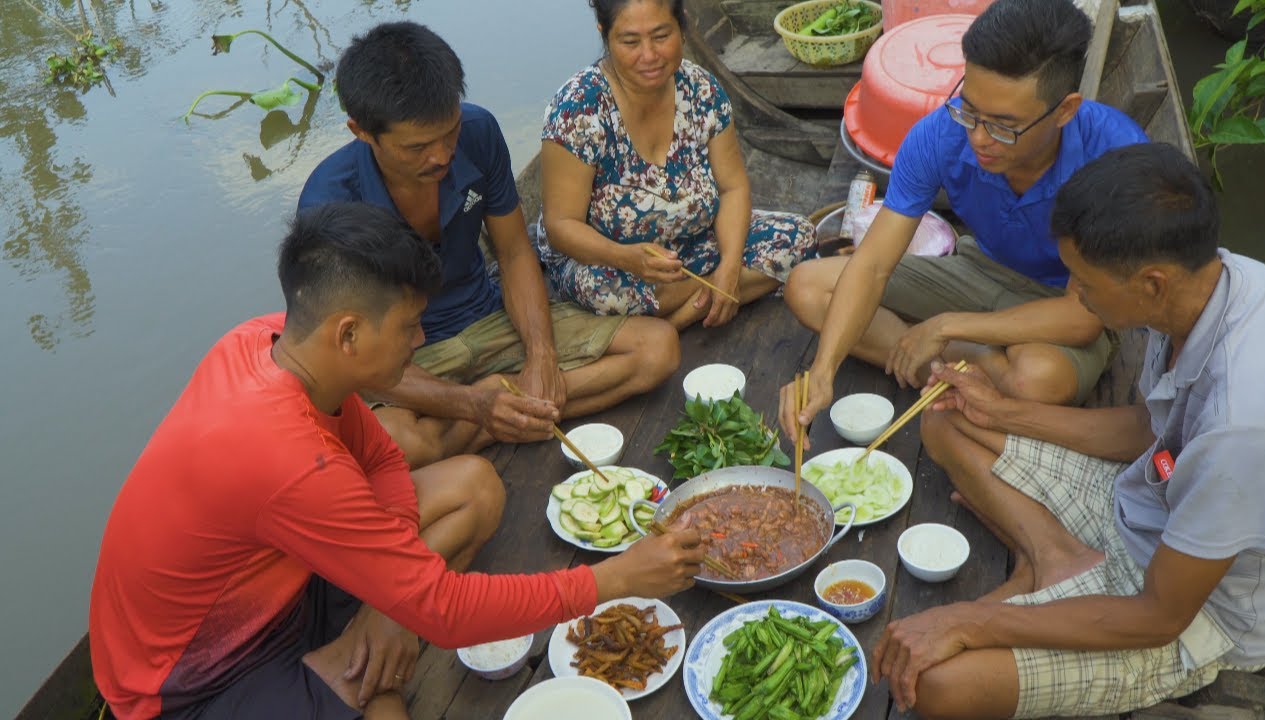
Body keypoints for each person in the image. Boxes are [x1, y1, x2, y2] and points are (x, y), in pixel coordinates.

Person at [88, 202, 705, 720]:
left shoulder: (266, 339)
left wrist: (390, 601)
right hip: (195, 680)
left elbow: (382, 458)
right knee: (387, 703)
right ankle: (353, 654)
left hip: (284, 583)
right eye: (410, 326)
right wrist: (618, 577)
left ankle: (370, 625)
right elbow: (449, 611)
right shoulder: (288, 460)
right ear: (348, 333)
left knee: (474, 487)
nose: (418, 343)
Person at [871, 143, 1265, 719]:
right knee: (947, 416)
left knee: (938, 683)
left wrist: (969, 620)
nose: (1076, 297)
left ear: (1153, 283)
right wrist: (1000, 411)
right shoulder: (1214, 283)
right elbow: (1148, 429)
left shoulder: (1243, 424)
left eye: (1084, 283)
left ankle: (1044, 565)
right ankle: (1052, 557)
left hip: (1196, 611)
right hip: (1142, 499)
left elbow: (1159, 615)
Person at [299, 22, 680, 469]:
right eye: (418, 146)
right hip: (405, 359)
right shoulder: (329, 202)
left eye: (449, 133)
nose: (441, 155)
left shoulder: (479, 132)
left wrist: (541, 355)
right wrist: (474, 403)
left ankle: (506, 410)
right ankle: (507, 409)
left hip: (490, 321)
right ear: (361, 131)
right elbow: (351, 358)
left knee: (658, 350)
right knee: (403, 442)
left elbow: (515, 252)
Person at [780, 0, 1149, 442]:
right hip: (976, 271)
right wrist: (823, 371)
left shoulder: (1115, 157)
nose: (977, 138)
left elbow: (1083, 319)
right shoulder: (940, 132)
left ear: (1065, 110)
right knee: (807, 286)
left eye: (1003, 126)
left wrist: (945, 325)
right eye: (970, 110)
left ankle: (947, 355)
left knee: (1038, 380)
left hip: (1064, 303)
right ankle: (968, 366)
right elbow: (874, 264)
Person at [536, 0, 816, 331]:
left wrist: (728, 265)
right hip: (612, 260)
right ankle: (720, 294)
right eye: (630, 42)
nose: (649, 55)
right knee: (608, 293)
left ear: (682, 28)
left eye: (661, 35)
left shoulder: (701, 90)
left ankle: (683, 315)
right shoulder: (577, 108)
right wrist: (628, 258)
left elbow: (733, 188)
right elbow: (561, 226)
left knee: (798, 236)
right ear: (605, 36)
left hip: (695, 243)